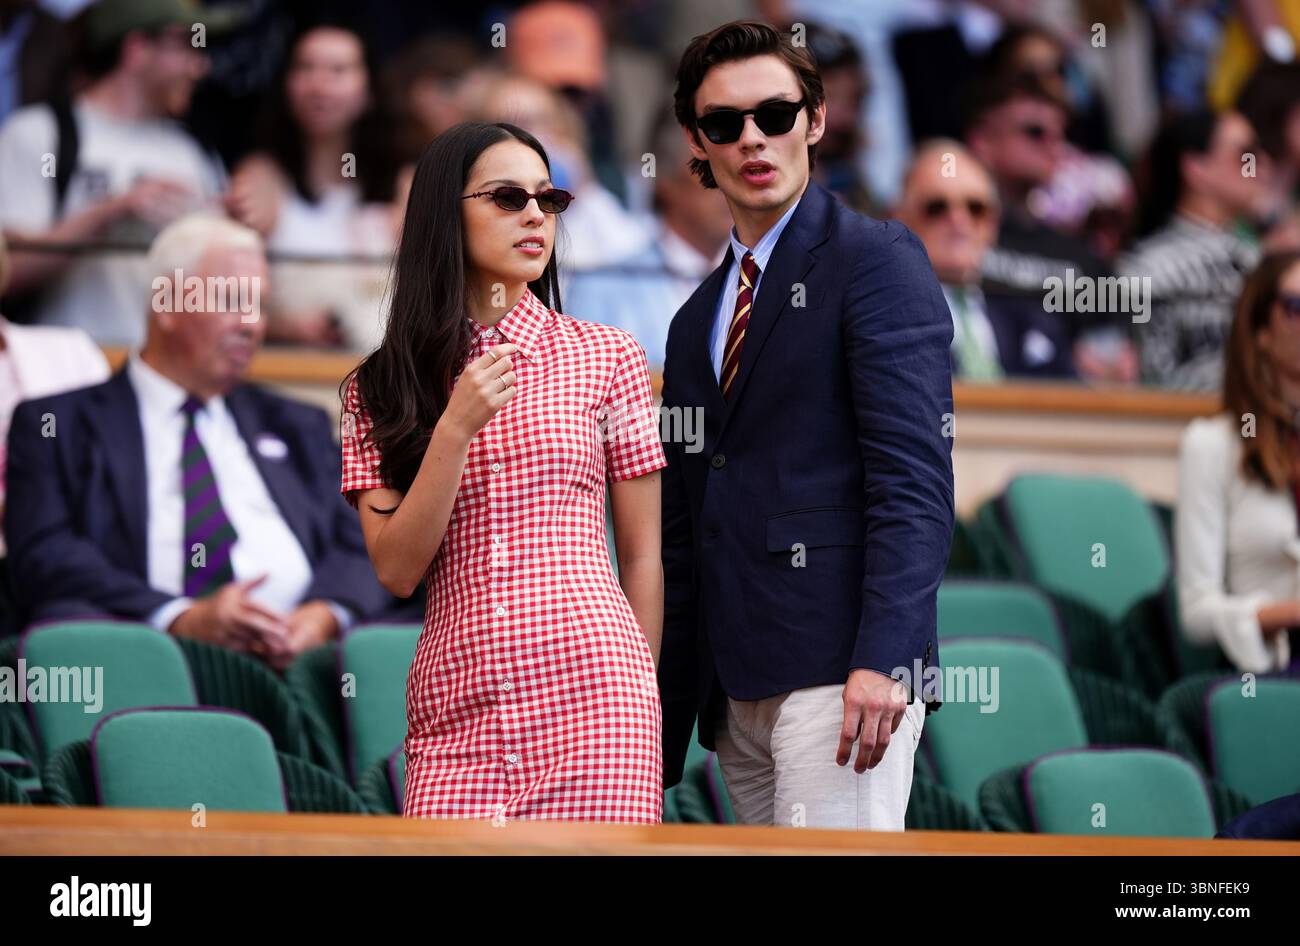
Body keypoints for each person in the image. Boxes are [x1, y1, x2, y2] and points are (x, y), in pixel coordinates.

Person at [658, 20, 954, 830]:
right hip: (733, 693)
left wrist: (886, 658)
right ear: (697, 141)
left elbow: (915, 482)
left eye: (775, 115)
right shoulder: (692, 323)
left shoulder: (879, 259)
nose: (752, 139)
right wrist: (668, 715)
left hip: (842, 671)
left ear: (815, 120)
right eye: (724, 124)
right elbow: (684, 530)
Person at [339, 122, 666, 822]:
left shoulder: (608, 356)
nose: (533, 216)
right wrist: (454, 428)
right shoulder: (379, 387)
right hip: (456, 712)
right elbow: (396, 570)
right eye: (508, 197)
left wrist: (643, 691)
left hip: (598, 702)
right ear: (443, 213)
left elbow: (642, 554)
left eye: (548, 201)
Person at [4, 215, 393, 665]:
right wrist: (179, 618)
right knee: (66, 626)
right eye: (233, 300)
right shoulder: (57, 423)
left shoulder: (297, 424)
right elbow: (43, 555)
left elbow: (363, 540)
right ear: (166, 304)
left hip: (305, 658)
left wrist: (323, 615)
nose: (252, 325)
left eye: (261, 306)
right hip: (148, 654)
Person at [0, 0, 225, 346]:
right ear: (137, 49)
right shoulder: (40, 133)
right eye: (187, 47)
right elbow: (9, 269)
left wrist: (236, 228)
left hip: (166, 372)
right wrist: (111, 211)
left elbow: (222, 282)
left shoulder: (193, 152)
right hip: (66, 367)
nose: (200, 66)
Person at [226, 20, 401, 351]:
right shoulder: (261, 176)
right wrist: (282, 328)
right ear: (286, 84)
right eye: (305, 68)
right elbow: (225, 296)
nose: (318, 85)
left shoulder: (405, 182)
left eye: (338, 70)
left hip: (383, 376)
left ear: (370, 89)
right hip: (291, 369)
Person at [1176, 251, 1300, 675]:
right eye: (1296, 307)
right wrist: (1285, 614)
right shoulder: (1211, 444)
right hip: (1275, 670)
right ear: (1261, 330)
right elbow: (1197, 613)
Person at [895, 139, 1075, 380]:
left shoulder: (1034, 323)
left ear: (994, 225)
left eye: (976, 208)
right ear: (899, 218)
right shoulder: (880, 319)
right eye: (937, 207)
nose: (959, 221)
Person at [1120, 110, 1271, 390]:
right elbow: (1150, 378)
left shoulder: (1268, 263)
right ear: (1196, 167)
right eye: (1246, 154)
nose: (1260, 164)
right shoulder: (1145, 267)